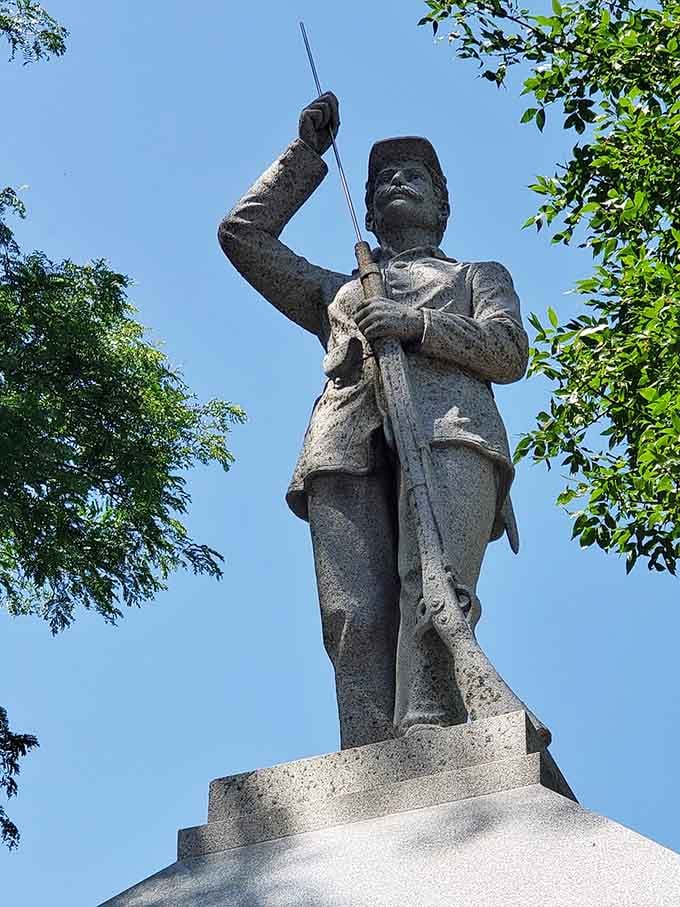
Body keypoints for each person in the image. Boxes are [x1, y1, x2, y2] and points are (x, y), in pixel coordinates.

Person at [219, 92, 528, 749]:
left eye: (413, 174)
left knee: (436, 594)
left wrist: (416, 325)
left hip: (451, 430)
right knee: (352, 612)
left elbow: (506, 351)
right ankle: (363, 752)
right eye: (382, 176)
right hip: (346, 444)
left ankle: (431, 732)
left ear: (442, 205)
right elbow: (243, 236)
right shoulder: (341, 291)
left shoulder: (478, 275)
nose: (395, 180)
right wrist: (304, 156)